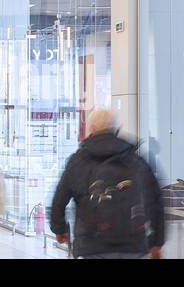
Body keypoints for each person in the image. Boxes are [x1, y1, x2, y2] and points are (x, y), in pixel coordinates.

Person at [49, 108, 165, 259]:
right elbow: (154, 200)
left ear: (90, 130)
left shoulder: (78, 161)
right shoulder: (135, 160)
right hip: (132, 245)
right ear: (117, 130)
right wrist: (157, 241)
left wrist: (59, 229)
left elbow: (59, 198)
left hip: (92, 246)